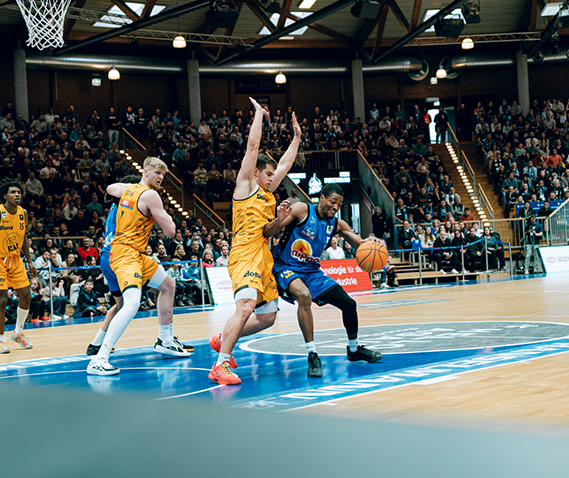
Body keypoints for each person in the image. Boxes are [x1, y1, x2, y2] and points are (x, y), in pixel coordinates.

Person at [208, 99, 301, 385]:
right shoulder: (245, 186)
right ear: (257, 172)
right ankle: (220, 364)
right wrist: (259, 115)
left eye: (274, 175)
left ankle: (223, 338)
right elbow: (252, 147)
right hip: (244, 254)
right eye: (269, 173)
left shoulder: (270, 196)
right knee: (245, 306)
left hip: (263, 255)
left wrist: (297, 138)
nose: (274, 177)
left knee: (268, 317)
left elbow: (285, 163)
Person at [263, 184, 384, 377]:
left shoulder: (337, 224)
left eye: (339, 204)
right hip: (286, 267)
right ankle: (312, 354)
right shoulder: (302, 209)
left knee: (349, 304)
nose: (335, 207)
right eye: (333, 202)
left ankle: (353, 350)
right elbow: (267, 232)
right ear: (322, 198)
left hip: (312, 273)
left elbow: (360, 244)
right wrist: (279, 221)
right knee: (304, 296)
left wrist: (373, 244)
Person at [85, 160, 191, 376]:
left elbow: (111, 188)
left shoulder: (130, 189)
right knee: (131, 304)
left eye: (163, 174)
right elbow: (171, 232)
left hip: (132, 253)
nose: (161, 177)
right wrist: (167, 215)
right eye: (157, 172)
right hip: (126, 254)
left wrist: (131, 190)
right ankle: (99, 358)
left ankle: (166, 340)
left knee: (168, 285)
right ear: (145, 171)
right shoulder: (152, 196)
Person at [0, 181, 40, 354]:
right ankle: (1, 340)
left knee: (26, 296)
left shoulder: (23, 213)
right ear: (5, 196)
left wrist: (30, 261)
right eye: (13, 192)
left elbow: (23, 238)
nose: (17, 195)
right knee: (2, 298)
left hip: (15, 259)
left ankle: (18, 333)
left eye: (19, 192)